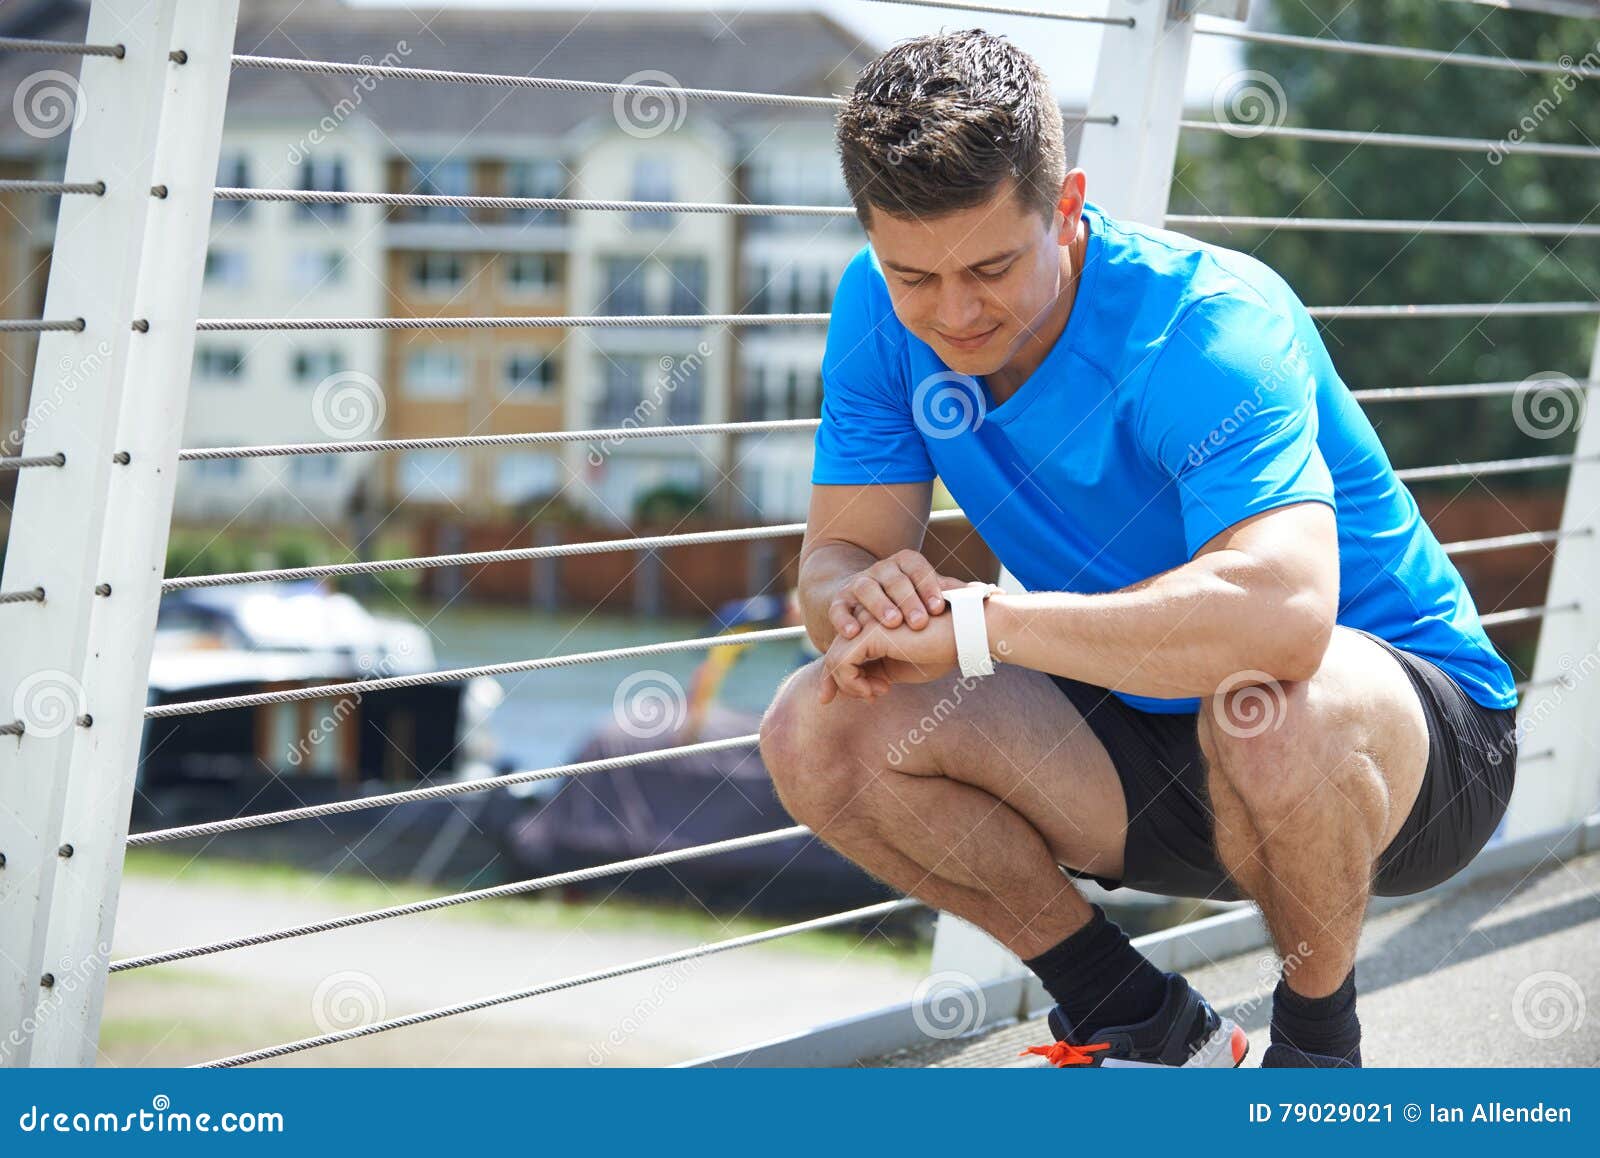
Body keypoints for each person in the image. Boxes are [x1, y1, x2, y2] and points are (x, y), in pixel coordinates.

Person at [757, 29, 1518, 1069]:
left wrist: (979, 625)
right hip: (1149, 742)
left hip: (1407, 756)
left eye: (988, 266)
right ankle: (1131, 1013)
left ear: (1065, 209)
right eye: (913, 277)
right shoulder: (877, 311)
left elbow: (1281, 619)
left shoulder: (1205, 325)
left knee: (1264, 700)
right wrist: (861, 595)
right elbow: (831, 565)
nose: (953, 313)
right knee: (818, 726)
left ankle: (1314, 1053)